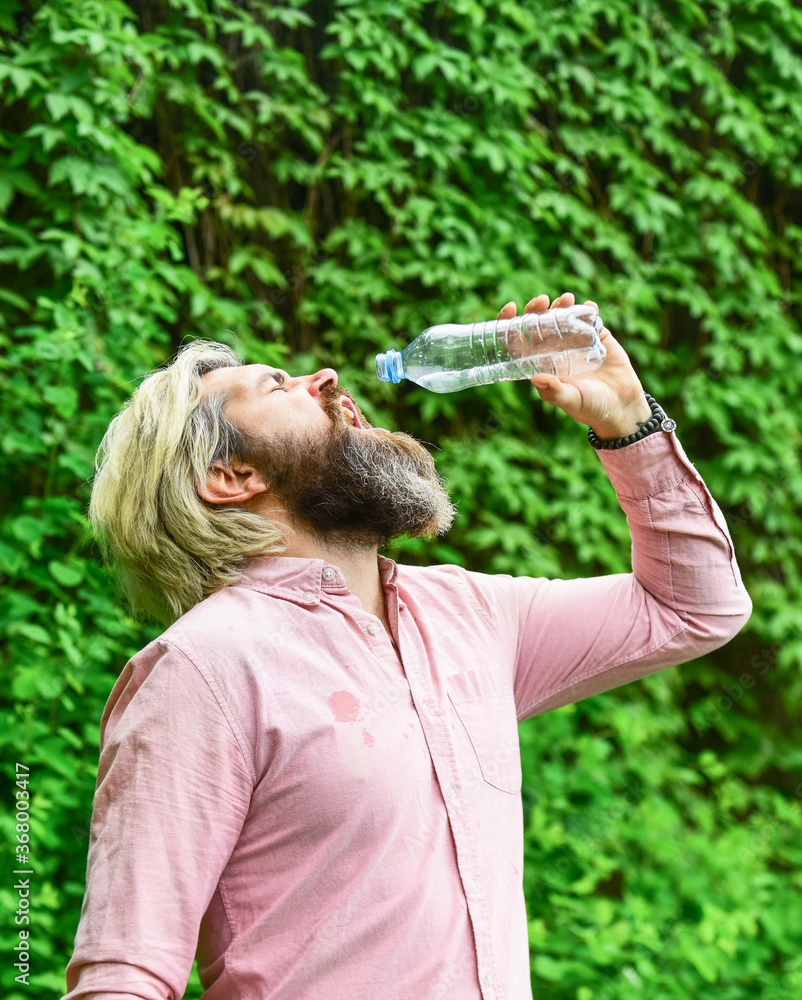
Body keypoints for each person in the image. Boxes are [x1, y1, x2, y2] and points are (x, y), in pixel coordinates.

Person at [64, 291, 751, 1000]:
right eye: (277, 385)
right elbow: (122, 977)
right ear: (231, 476)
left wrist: (629, 422)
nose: (326, 377)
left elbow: (692, 607)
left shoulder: (470, 613)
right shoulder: (201, 670)